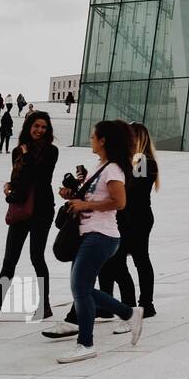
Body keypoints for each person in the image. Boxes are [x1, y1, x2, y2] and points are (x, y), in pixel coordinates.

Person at [48, 120, 145, 363]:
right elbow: (93, 195)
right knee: (82, 288)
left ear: (103, 140)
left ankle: (86, 344)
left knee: (81, 288)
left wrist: (87, 204)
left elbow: (120, 203)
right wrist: (72, 195)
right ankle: (129, 313)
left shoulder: (112, 169)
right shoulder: (101, 165)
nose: (91, 138)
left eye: (93, 135)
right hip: (88, 234)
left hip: (100, 235)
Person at [0, 111, 58, 324]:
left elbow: (41, 177)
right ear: (28, 127)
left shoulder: (51, 151)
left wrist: (26, 157)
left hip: (42, 210)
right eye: (36, 126)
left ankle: (44, 306)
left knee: (37, 257)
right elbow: (20, 179)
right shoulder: (17, 150)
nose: (40, 130)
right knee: (9, 261)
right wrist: (10, 187)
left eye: (44, 127)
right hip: (21, 210)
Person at [107, 121, 161, 323]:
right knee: (124, 260)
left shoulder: (144, 162)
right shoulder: (133, 162)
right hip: (127, 217)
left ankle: (145, 304)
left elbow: (131, 190)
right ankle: (132, 304)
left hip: (137, 218)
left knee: (139, 260)